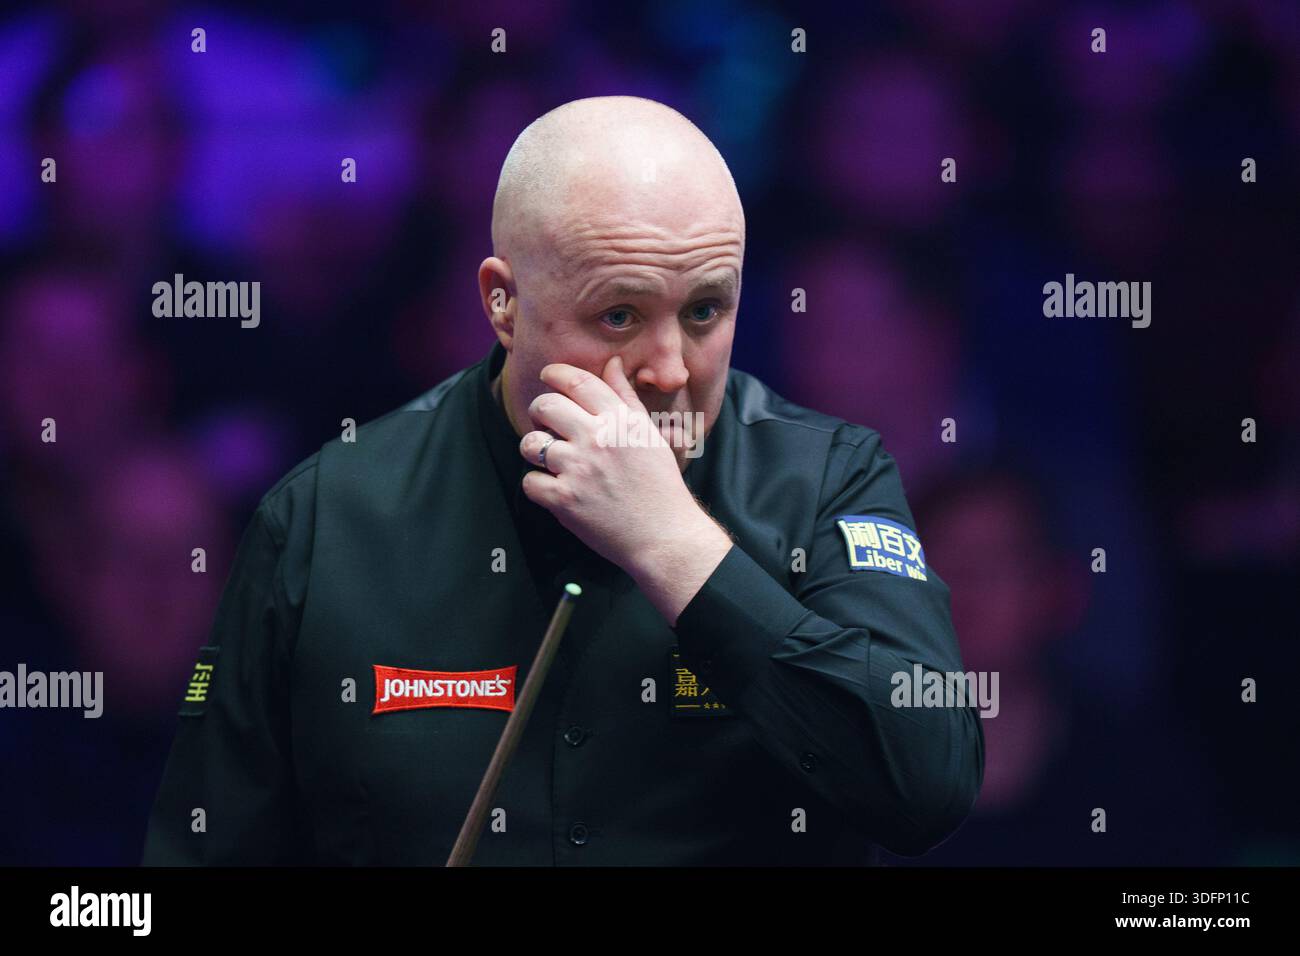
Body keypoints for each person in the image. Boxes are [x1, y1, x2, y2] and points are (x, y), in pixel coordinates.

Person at [141, 95, 983, 866]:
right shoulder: (326, 517)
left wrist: (675, 547)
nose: (667, 369)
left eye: (704, 311)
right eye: (618, 315)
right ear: (503, 303)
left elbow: (928, 783)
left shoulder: (827, 481)